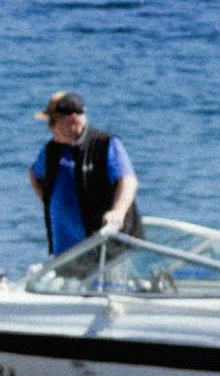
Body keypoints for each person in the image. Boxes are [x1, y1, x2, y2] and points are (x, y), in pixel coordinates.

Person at [29, 89, 138, 256]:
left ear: (72, 119)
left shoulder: (104, 144)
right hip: (64, 248)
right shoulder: (52, 149)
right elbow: (35, 174)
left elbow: (128, 180)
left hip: (103, 246)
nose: (49, 129)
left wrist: (118, 211)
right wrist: (48, 202)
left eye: (52, 122)